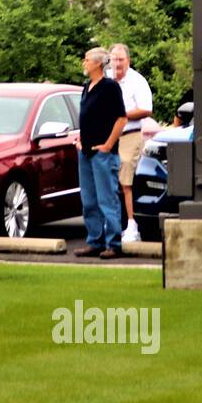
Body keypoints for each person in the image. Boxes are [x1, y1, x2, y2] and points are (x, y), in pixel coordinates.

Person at [74, 47, 127, 259]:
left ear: (97, 63)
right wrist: (80, 140)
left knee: (107, 198)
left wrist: (107, 145)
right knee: (89, 199)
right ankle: (94, 240)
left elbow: (121, 118)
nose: (84, 63)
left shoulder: (110, 87)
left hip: (103, 153)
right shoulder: (87, 86)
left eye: (86, 60)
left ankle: (113, 242)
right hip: (85, 151)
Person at [108, 44, 154, 243]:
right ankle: (109, 224)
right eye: (114, 59)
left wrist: (121, 115)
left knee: (126, 176)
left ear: (128, 60)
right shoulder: (106, 78)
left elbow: (146, 109)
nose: (117, 64)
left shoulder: (137, 81)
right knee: (107, 178)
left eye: (121, 60)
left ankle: (132, 225)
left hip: (130, 134)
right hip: (107, 135)